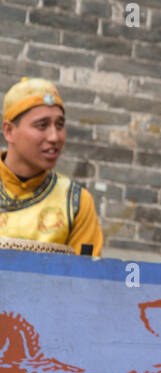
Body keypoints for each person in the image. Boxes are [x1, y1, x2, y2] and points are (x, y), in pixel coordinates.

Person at [0, 76, 103, 255]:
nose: (54, 137)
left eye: (60, 125)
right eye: (42, 125)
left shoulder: (76, 202)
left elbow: (85, 279)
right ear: (9, 131)